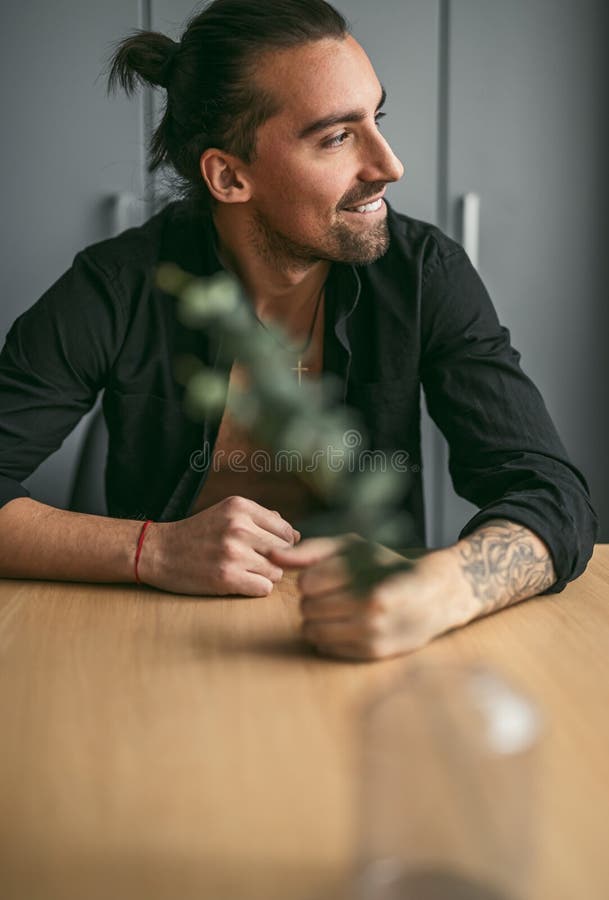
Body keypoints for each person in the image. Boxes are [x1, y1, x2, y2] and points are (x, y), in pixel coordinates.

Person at [0, 0, 597, 660]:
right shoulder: (117, 288)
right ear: (229, 175)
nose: (390, 165)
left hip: (379, 643)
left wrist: (444, 591)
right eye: (337, 137)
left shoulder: (424, 273)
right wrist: (153, 550)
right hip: (158, 644)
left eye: (377, 118)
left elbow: (551, 496)